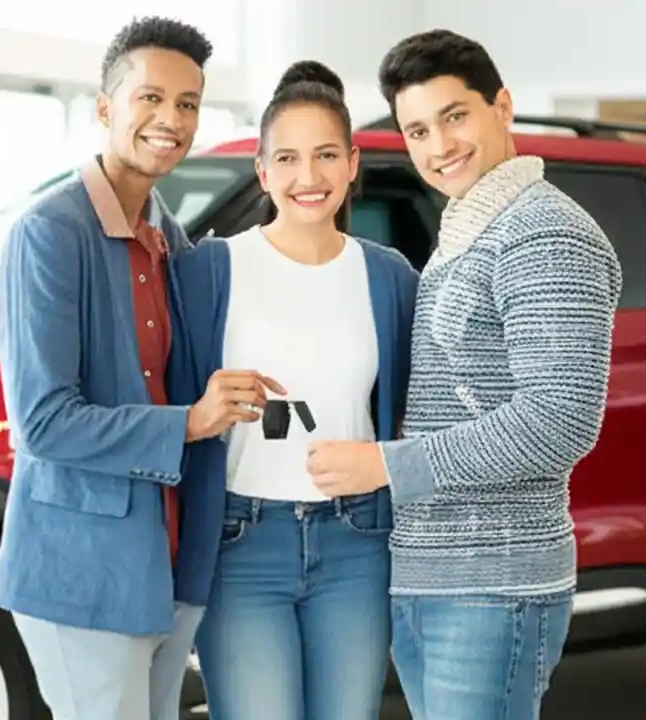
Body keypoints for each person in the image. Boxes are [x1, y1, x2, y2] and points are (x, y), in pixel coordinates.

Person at [305, 29, 623, 719]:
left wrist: (385, 465)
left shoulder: (543, 232)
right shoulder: (470, 229)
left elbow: (559, 418)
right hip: (434, 574)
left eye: (454, 117)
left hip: (494, 583)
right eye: (417, 130)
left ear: (501, 106)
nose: (439, 145)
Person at [0, 16, 270, 720]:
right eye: (150, 97)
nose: (170, 119)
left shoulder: (168, 236)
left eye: (187, 103)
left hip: (164, 561)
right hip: (82, 571)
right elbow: (44, 424)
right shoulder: (50, 234)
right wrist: (190, 422)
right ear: (105, 108)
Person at [186, 61, 419, 720]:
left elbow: (415, 413)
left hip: (357, 539)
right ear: (262, 172)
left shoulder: (389, 277)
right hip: (241, 542)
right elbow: (171, 401)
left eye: (325, 155)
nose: (307, 177)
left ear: (352, 164)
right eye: (287, 158)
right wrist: (203, 409)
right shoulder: (212, 269)